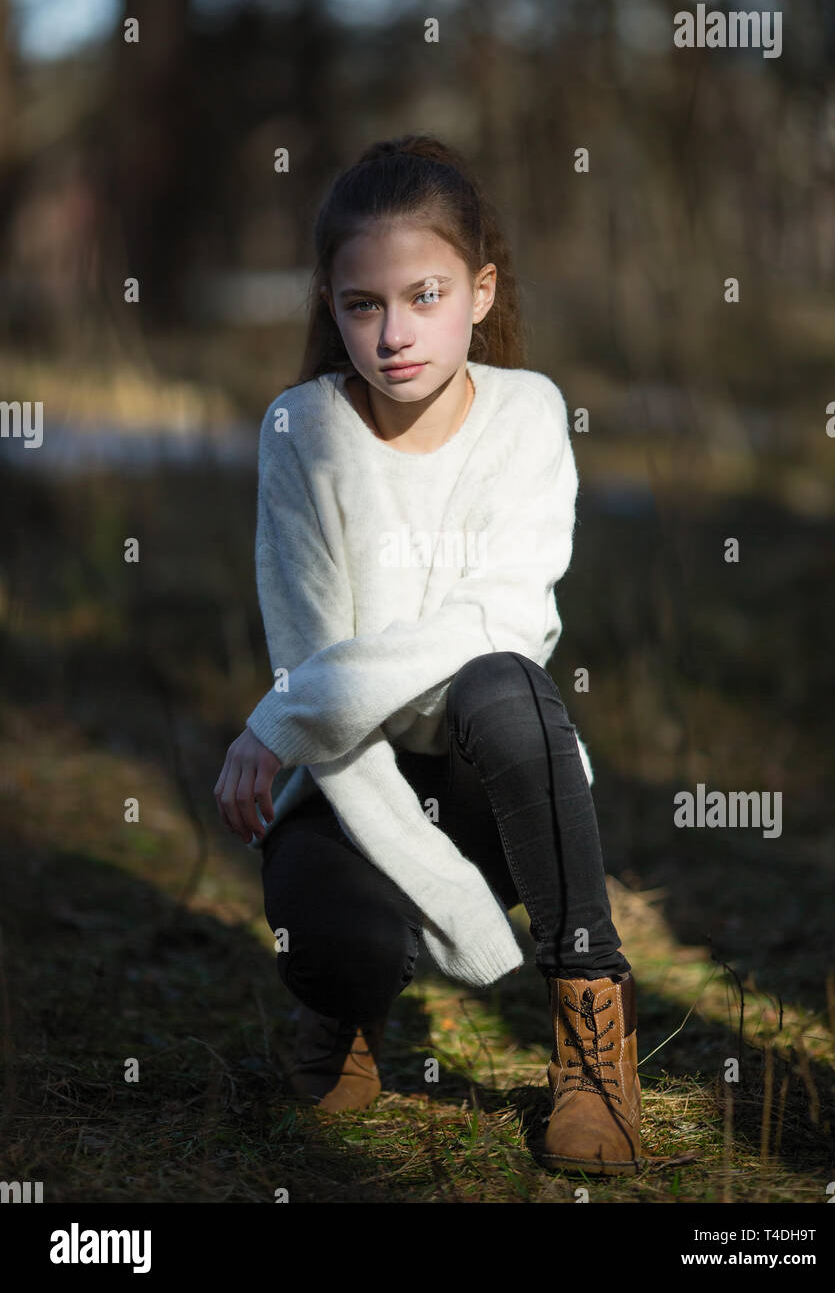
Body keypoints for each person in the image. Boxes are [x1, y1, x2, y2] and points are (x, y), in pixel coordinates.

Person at [213, 133, 642, 1175]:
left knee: (503, 683)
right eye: (362, 304)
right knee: (338, 945)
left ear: (480, 290)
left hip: (495, 774)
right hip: (348, 778)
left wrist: (279, 717)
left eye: (424, 294)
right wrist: (454, 917)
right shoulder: (299, 431)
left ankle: (591, 1034)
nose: (393, 333)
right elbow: (314, 670)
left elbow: (500, 626)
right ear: (328, 302)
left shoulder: (528, 415)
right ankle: (347, 1006)